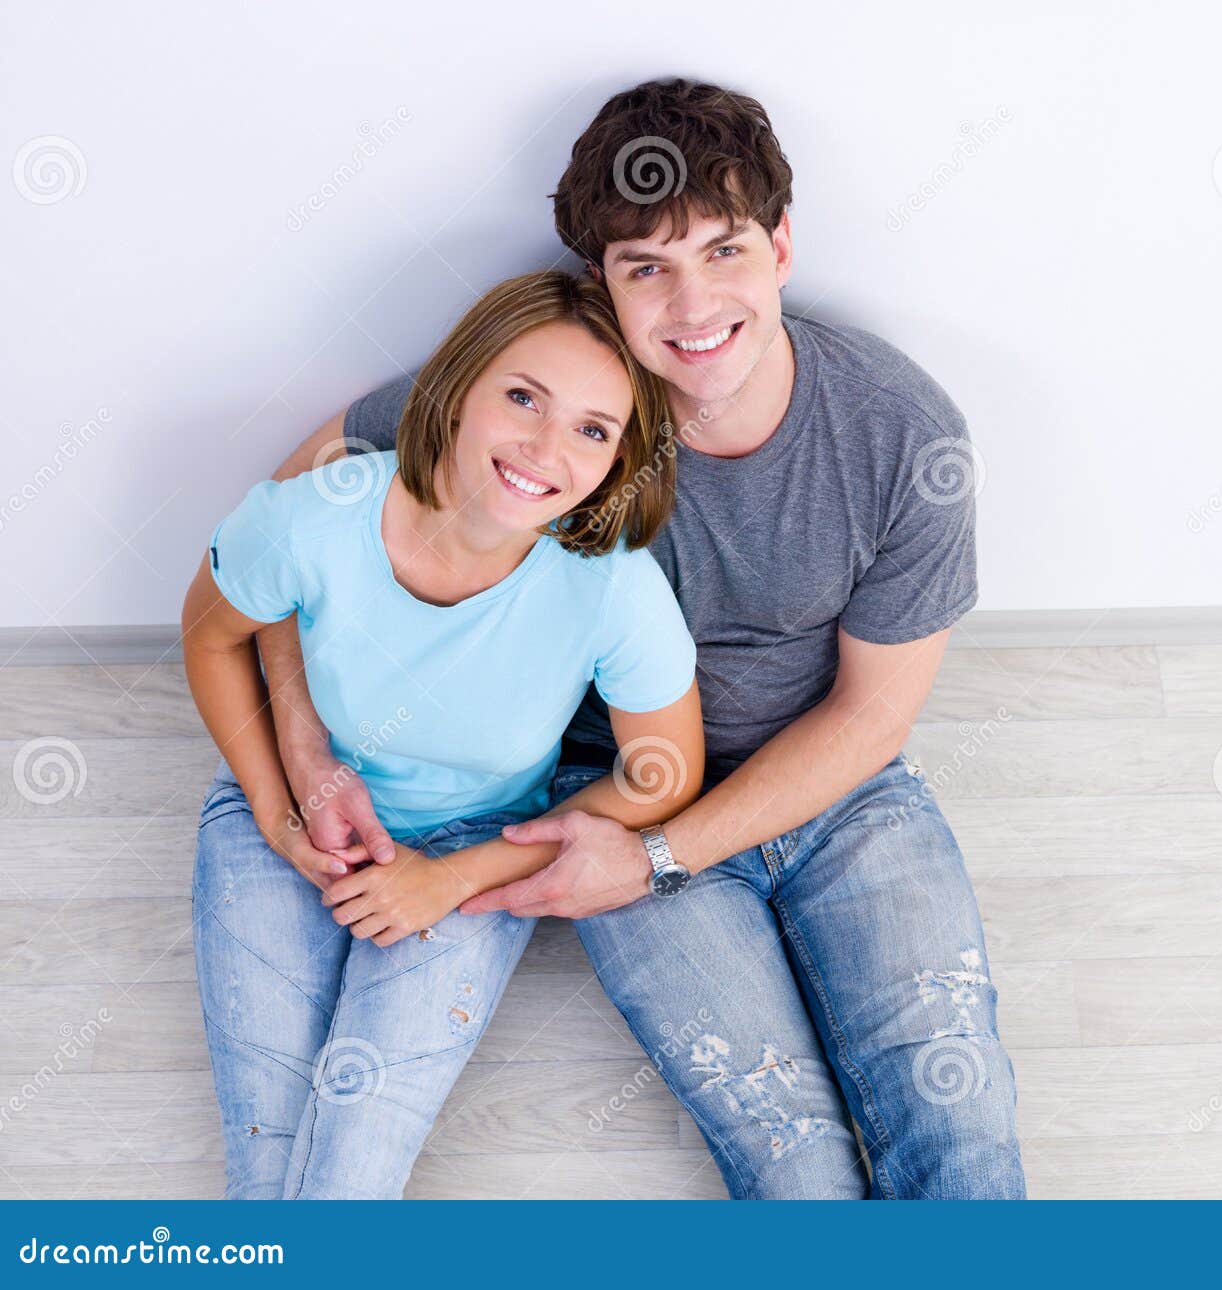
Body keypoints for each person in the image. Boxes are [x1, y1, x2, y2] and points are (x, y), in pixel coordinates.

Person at [262, 78, 1024, 1199]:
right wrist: (306, 749)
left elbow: (871, 716)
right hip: (607, 796)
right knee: (792, 1158)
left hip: (832, 791)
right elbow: (290, 512)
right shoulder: (547, 402)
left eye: (724, 251)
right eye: (645, 268)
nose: (693, 302)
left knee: (957, 1121)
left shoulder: (902, 432)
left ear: (781, 249)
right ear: (601, 288)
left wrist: (667, 854)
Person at [182, 270, 702, 1199]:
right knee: (264, 1164)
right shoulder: (313, 515)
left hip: (475, 841)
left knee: (353, 1169)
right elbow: (210, 633)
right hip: (290, 810)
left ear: (619, 462)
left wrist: (454, 877)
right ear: (458, 389)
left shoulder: (614, 586)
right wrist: (279, 805)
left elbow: (664, 775)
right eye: (522, 398)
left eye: (592, 429)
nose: (546, 448)